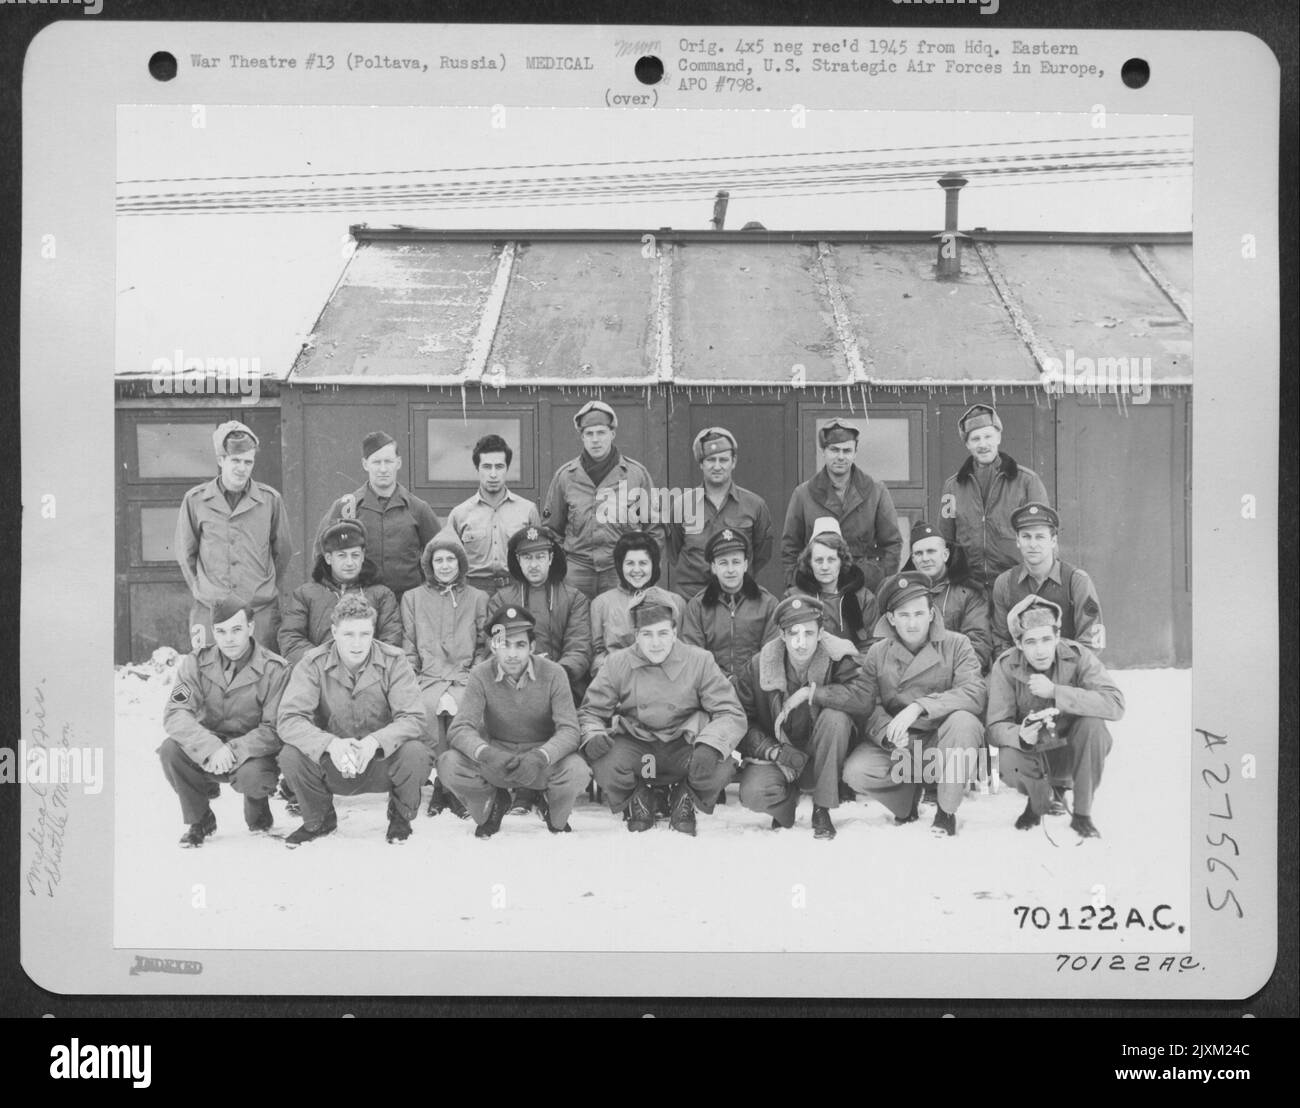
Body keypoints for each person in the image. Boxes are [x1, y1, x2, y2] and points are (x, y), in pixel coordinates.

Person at [579, 588, 746, 835]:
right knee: (604, 761)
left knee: (722, 764)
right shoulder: (617, 663)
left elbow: (730, 712)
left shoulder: (699, 661)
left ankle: (686, 794)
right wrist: (592, 735)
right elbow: (590, 711)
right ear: (635, 634)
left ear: (675, 632)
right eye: (647, 634)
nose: (655, 643)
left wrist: (711, 744)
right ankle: (637, 795)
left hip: (683, 743)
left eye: (663, 633)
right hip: (639, 743)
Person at [276, 594, 430, 845]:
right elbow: (290, 719)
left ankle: (401, 816)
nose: (357, 643)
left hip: (380, 760)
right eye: (348, 634)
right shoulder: (312, 663)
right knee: (291, 755)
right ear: (334, 631)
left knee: (416, 752)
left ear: (373, 631)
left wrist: (374, 742)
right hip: (333, 763)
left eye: (364, 634)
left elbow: (412, 717)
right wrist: (331, 744)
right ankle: (319, 819)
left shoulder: (395, 661)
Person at [842, 573, 987, 836]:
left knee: (965, 722)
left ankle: (946, 810)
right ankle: (905, 800)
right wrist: (888, 733)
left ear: (932, 614)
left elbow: (974, 691)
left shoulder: (956, 644)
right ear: (891, 618)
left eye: (919, 614)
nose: (912, 623)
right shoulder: (877, 652)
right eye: (904, 615)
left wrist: (919, 706)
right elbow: (867, 704)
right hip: (901, 746)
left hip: (940, 741)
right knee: (856, 771)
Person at [440, 605, 590, 837]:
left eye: (520, 645)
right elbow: (460, 728)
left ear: (532, 646)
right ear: (493, 646)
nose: (511, 654)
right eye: (503, 644)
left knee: (578, 770)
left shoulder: (554, 673)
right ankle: (492, 803)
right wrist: (486, 753)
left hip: (542, 757)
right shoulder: (480, 674)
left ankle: (554, 810)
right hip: (499, 757)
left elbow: (569, 730)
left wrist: (541, 756)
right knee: (449, 764)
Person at [987, 595, 1125, 838]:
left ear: (1057, 637)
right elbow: (995, 726)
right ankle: (1037, 802)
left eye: (1046, 639)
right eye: (1030, 642)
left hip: (1069, 750)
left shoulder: (1078, 655)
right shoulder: (1006, 665)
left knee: (1094, 725)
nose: (1040, 650)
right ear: (1018, 643)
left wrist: (1056, 692)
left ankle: (1082, 814)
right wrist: (1019, 734)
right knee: (1006, 757)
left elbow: (1115, 704)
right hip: (1031, 753)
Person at [159, 595, 290, 847]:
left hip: (252, 751)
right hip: (209, 747)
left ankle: (258, 811)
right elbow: (176, 712)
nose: (229, 638)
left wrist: (231, 750)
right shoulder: (195, 663)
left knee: (255, 776)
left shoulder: (275, 669)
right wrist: (211, 747)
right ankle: (200, 819)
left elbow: (274, 729)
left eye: (236, 630)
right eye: (221, 631)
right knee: (170, 750)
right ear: (213, 632)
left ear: (251, 628)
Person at [736, 596, 870, 839]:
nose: (800, 643)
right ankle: (786, 805)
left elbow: (863, 698)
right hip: (781, 755)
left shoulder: (838, 657)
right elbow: (741, 720)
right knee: (753, 793)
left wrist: (812, 693)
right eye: (793, 634)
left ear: (820, 634)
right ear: (781, 634)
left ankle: (822, 807)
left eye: (808, 633)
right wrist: (772, 750)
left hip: (825, 755)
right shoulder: (758, 666)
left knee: (836, 717)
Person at [174, 421, 293, 652]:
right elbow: (186, 552)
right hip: (211, 610)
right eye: (235, 460)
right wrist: (205, 590)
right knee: (209, 675)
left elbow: (283, 552)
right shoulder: (196, 500)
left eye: (248, 462)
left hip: (259, 611)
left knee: (263, 676)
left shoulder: (270, 500)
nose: (242, 468)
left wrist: (260, 588)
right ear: (221, 460)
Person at [399, 534, 489, 815]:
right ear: (429, 564)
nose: (445, 565)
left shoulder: (478, 598)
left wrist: (475, 675)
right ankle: (440, 783)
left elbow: (485, 646)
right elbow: (409, 644)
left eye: (451, 559)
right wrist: (412, 677)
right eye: (439, 560)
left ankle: (455, 785)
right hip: (429, 677)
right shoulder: (412, 598)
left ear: (461, 563)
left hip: (465, 677)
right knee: (426, 709)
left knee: (466, 710)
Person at [541, 400, 665, 598]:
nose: (595, 440)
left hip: (620, 570)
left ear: (612, 434)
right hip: (576, 570)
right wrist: (563, 563)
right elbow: (552, 529)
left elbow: (654, 529)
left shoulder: (635, 475)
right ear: (582, 436)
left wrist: (644, 567)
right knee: (576, 624)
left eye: (601, 432)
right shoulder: (565, 476)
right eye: (589, 434)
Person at [314, 431, 442, 601]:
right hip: (359, 603)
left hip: (405, 604)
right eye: (376, 462)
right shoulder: (346, 507)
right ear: (365, 464)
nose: (383, 469)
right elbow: (321, 553)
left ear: (398, 463)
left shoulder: (418, 508)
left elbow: (440, 552)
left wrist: (425, 594)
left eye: (388, 461)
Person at [937, 404, 1049, 594]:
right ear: (967, 444)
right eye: (975, 438)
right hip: (969, 588)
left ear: (998, 437)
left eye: (988, 436)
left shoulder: (1027, 482)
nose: (982, 444)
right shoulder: (952, 486)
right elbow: (945, 540)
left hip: (1016, 584)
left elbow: (1043, 537)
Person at [781, 417, 902, 592]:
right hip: (816, 586)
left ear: (855, 453)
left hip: (864, 585)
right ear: (823, 451)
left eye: (847, 451)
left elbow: (892, 543)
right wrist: (798, 584)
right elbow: (790, 548)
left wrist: (881, 582)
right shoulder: (803, 494)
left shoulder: (876, 491)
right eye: (834, 450)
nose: (840, 457)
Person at [665, 427, 774, 600]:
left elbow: (761, 554)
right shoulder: (682, 505)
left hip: (737, 597)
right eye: (711, 460)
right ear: (701, 463)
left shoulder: (755, 506)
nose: (717, 466)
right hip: (692, 597)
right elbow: (673, 552)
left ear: (734, 461)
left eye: (723, 460)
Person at [492, 524, 592, 705]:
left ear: (551, 558)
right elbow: (494, 648)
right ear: (518, 559)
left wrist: (551, 674)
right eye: (527, 557)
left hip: (562, 684)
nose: (534, 565)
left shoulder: (574, 599)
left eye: (540, 557)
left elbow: (579, 649)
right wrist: (521, 672)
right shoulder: (501, 600)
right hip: (512, 684)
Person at [278, 519, 402, 665]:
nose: (349, 562)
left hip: (368, 676)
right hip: (319, 675)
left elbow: (391, 639)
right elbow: (291, 638)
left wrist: (364, 665)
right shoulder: (305, 594)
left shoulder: (382, 595)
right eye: (342, 555)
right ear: (329, 558)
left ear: (362, 556)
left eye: (355, 555)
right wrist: (323, 663)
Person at [990, 503, 1105, 658]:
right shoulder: (1004, 583)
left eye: (1040, 537)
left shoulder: (1077, 581)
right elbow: (1001, 643)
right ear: (1017, 541)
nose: (1032, 544)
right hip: (1022, 673)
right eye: (1026, 536)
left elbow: (1091, 642)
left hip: (1070, 673)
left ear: (1053, 541)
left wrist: (1060, 676)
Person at [680, 527, 779, 687]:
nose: (731, 570)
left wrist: (745, 682)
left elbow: (772, 653)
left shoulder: (768, 604)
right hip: (712, 687)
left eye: (736, 562)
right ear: (713, 567)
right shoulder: (697, 607)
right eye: (723, 563)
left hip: (757, 688)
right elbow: (694, 656)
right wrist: (725, 680)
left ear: (746, 565)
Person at [443, 433, 540, 595]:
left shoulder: (528, 510)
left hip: (515, 589)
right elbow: (448, 559)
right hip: (472, 591)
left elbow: (538, 556)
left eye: (499, 467)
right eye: (487, 467)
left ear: (507, 468)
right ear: (477, 469)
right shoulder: (459, 514)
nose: (493, 474)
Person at [590, 530, 685, 676]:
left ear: (653, 565)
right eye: (630, 563)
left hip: (663, 681)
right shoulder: (601, 604)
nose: (636, 570)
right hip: (619, 679)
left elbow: (682, 651)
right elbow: (598, 654)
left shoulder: (675, 602)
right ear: (620, 565)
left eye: (643, 563)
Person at [901, 520, 992, 672]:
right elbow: (888, 645)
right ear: (912, 559)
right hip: (909, 678)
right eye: (918, 553)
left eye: (931, 551)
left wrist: (942, 674)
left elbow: (978, 645)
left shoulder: (969, 594)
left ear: (945, 555)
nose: (925, 558)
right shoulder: (901, 595)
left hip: (956, 678)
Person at [787, 518, 877, 651]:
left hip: (853, 668)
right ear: (809, 563)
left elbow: (872, 650)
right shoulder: (795, 597)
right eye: (818, 560)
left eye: (831, 560)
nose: (825, 567)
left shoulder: (864, 599)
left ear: (842, 561)